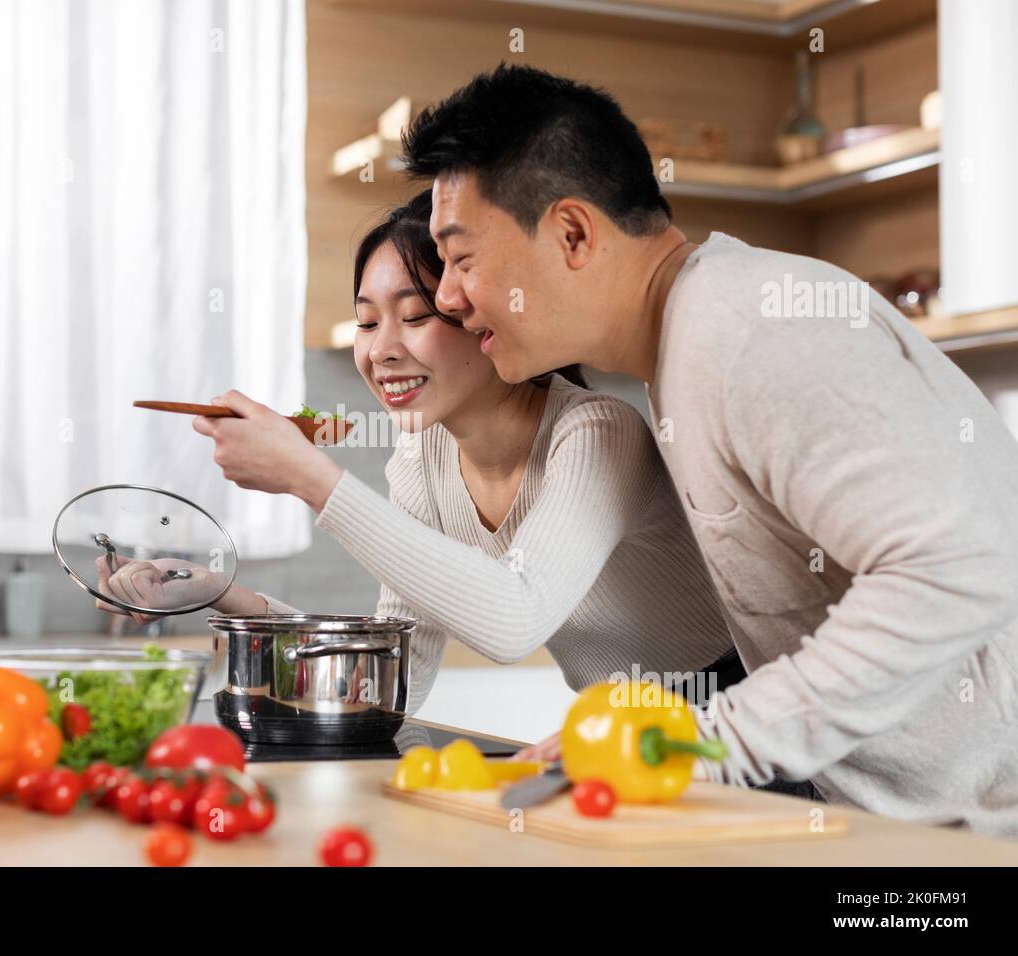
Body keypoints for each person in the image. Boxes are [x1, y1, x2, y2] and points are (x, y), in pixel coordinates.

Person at [388, 64, 1018, 835]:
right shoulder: (691, 342)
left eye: (460, 257)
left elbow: (954, 571)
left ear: (573, 233)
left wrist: (697, 740)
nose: (447, 296)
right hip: (918, 828)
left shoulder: (752, 331)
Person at [99, 189, 736, 719]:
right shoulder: (421, 458)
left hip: (745, 726)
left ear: (479, 316)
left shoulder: (597, 435)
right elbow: (393, 669)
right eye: (368, 322)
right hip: (623, 732)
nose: (381, 351)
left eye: (415, 315)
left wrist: (309, 477)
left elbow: (514, 621)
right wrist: (215, 591)